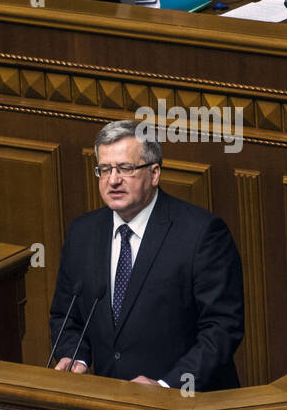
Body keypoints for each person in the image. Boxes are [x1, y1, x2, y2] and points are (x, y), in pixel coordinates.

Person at [49, 119, 244, 390]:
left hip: (187, 408)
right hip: (110, 404)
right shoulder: (83, 232)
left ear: (154, 173)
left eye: (125, 168)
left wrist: (166, 386)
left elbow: (222, 328)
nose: (113, 180)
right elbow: (65, 315)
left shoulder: (201, 233)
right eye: (104, 170)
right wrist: (76, 356)